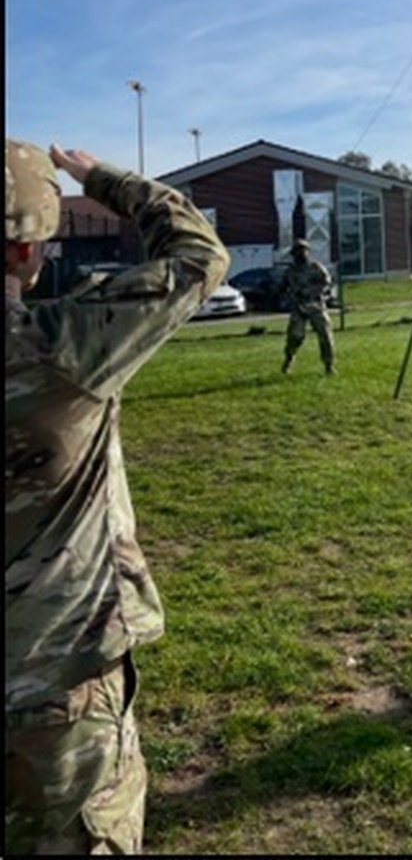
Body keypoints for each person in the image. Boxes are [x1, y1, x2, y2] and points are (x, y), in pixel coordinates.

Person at [5, 140, 229, 854]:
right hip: (53, 690)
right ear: (25, 250)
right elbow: (199, 256)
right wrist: (99, 177)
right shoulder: (62, 345)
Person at [280, 237, 335, 375]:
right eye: (298, 251)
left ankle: (328, 365)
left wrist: (315, 292)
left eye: (304, 250)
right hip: (298, 308)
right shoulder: (290, 271)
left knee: (325, 336)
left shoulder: (316, 268)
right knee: (295, 336)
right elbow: (282, 287)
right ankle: (289, 359)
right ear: (293, 254)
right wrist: (288, 297)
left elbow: (327, 283)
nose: (301, 254)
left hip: (316, 306)